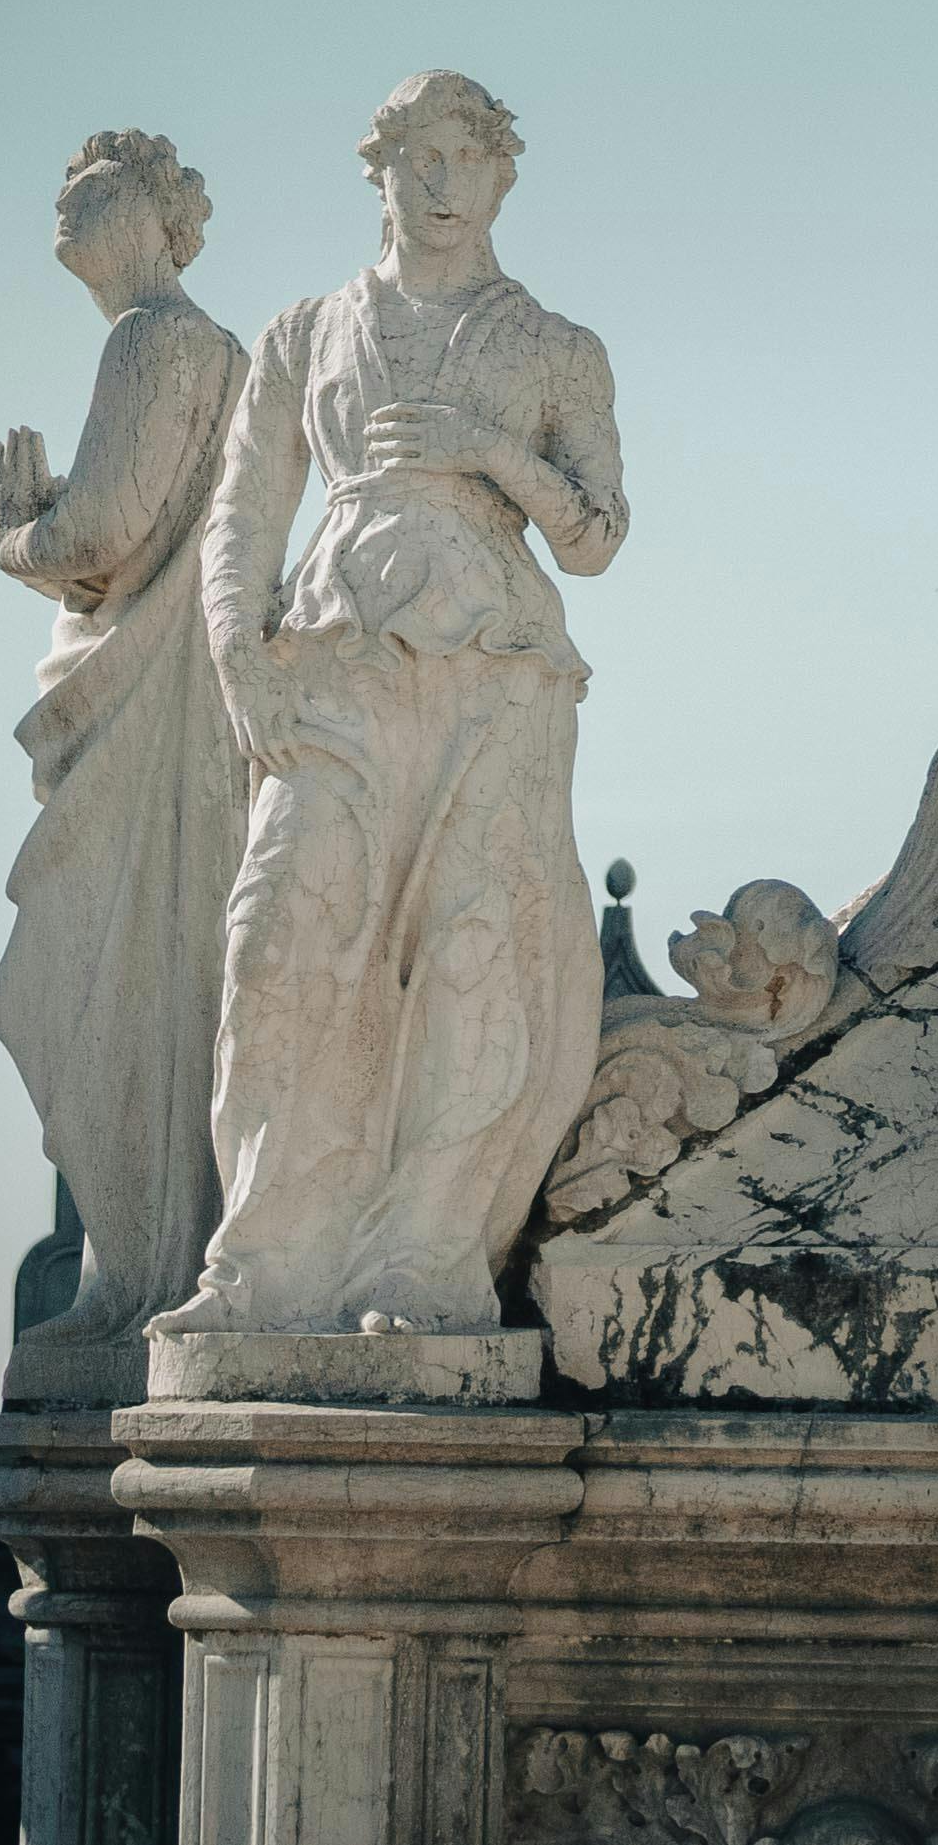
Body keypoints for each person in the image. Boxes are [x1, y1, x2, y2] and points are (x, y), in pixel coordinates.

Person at [153, 70, 627, 1339]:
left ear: (499, 177)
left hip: (498, 675)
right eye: (415, 155)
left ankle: (421, 1256)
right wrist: (236, 657)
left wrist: (492, 455)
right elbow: (242, 514)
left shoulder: (555, 347)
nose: (438, 178)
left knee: (473, 952)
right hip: (334, 660)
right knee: (278, 944)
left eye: (465, 155)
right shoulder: (306, 332)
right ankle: (264, 1256)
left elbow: (596, 535)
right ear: (380, 171)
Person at [0, 130, 247, 1390]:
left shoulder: (155, 339)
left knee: (120, 969)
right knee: (164, 970)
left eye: (80, 189)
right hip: (179, 694)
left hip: (155, 709)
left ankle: (142, 1274)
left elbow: (102, 526)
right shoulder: (216, 349)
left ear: (143, 214)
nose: (58, 204)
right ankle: (150, 1258)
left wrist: (13, 536)